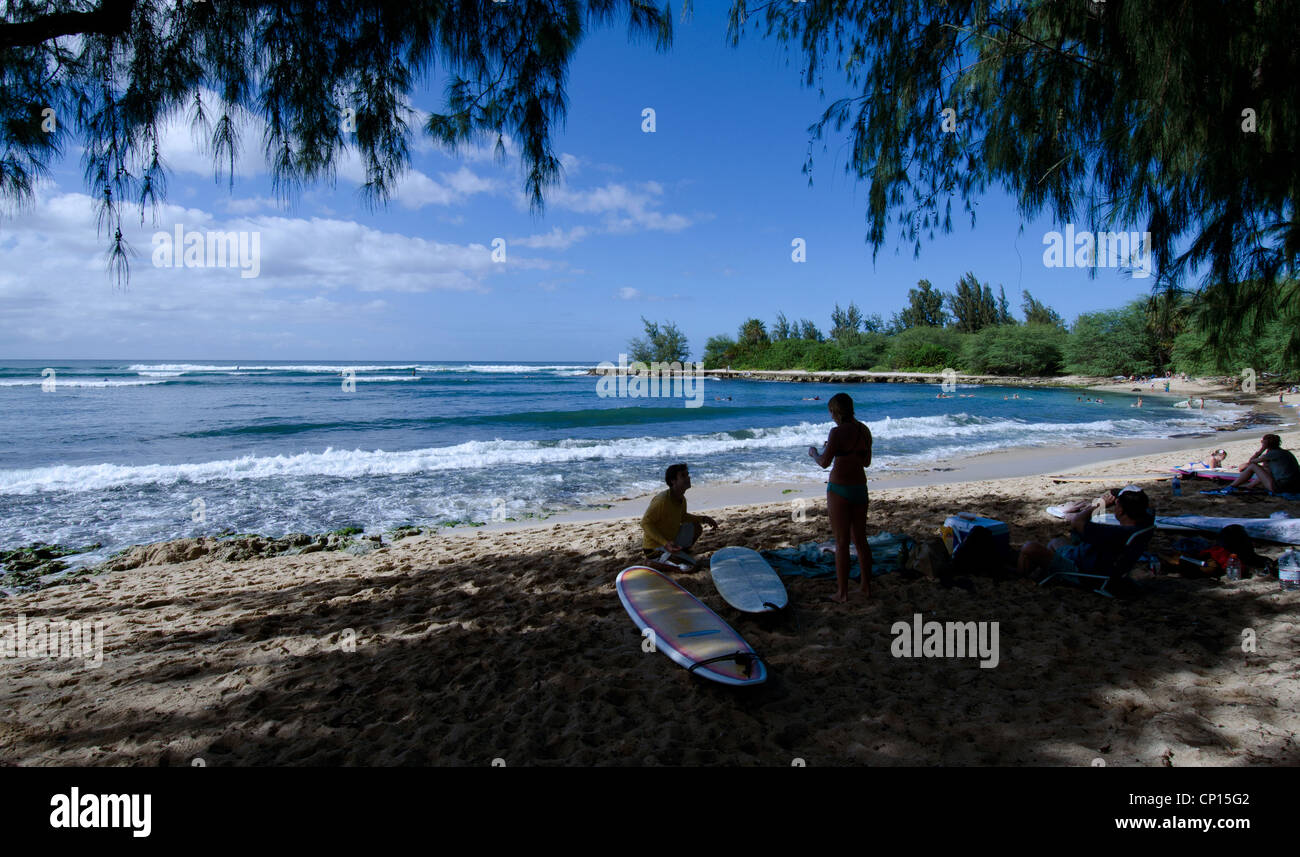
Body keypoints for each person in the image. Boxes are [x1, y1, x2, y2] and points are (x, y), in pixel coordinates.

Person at [1018, 487, 1156, 588]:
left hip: (1084, 573)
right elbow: (1148, 508)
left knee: (1029, 548)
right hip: (1098, 564)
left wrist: (1098, 505)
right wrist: (1121, 495)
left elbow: (1077, 521)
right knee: (1056, 542)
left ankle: (1021, 578)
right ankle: (1048, 573)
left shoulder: (1113, 533)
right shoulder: (1144, 526)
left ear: (1120, 510)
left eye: (1117, 505)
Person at [808, 392, 873, 603]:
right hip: (859, 488)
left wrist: (815, 452)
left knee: (842, 542)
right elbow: (866, 462)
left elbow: (824, 462)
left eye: (831, 412)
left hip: (839, 489)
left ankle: (842, 593)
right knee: (861, 540)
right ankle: (865, 587)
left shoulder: (836, 432)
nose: (831, 417)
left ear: (836, 411)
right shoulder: (864, 430)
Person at [640, 463, 718, 570]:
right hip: (654, 548)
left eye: (687, 474)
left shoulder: (681, 498)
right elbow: (645, 523)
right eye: (683, 475)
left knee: (696, 527)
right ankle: (654, 563)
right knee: (690, 567)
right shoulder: (662, 500)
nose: (688, 478)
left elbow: (683, 517)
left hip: (671, 540)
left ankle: (679, 555)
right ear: (673, 481)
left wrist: (703, 519)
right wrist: (665, 543)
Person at [1212, 434, 1300, 494]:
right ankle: (1250, 486)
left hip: (1281, 487)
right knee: (1266, 469)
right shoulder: (1284, 452)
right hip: (1294, 486)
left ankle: (1232, 486)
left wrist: (1262, 449)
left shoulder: (1272, 454)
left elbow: (1252, 462)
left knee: (1253, 466)